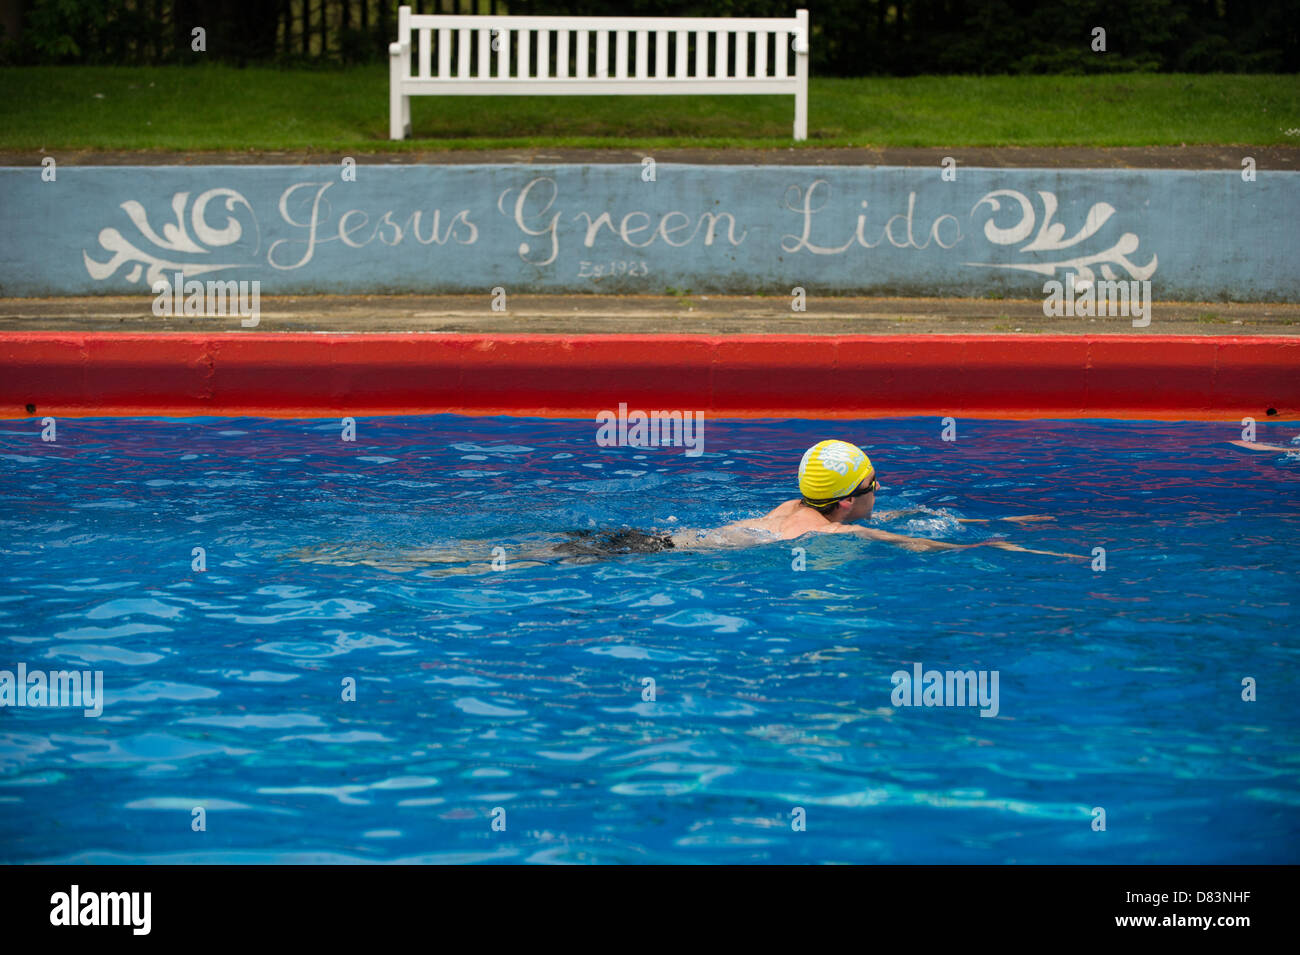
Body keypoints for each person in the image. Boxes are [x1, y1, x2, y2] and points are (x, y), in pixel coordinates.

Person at [673, 439, 1079, 556]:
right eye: (871, 484)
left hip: (675, 541)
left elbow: (896, 518)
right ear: (847, 500)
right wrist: (993, 546)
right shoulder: (836, 536)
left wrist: (992, 522)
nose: (879, 488)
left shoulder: (793, 507)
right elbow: (917, 543)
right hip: (689, 553)